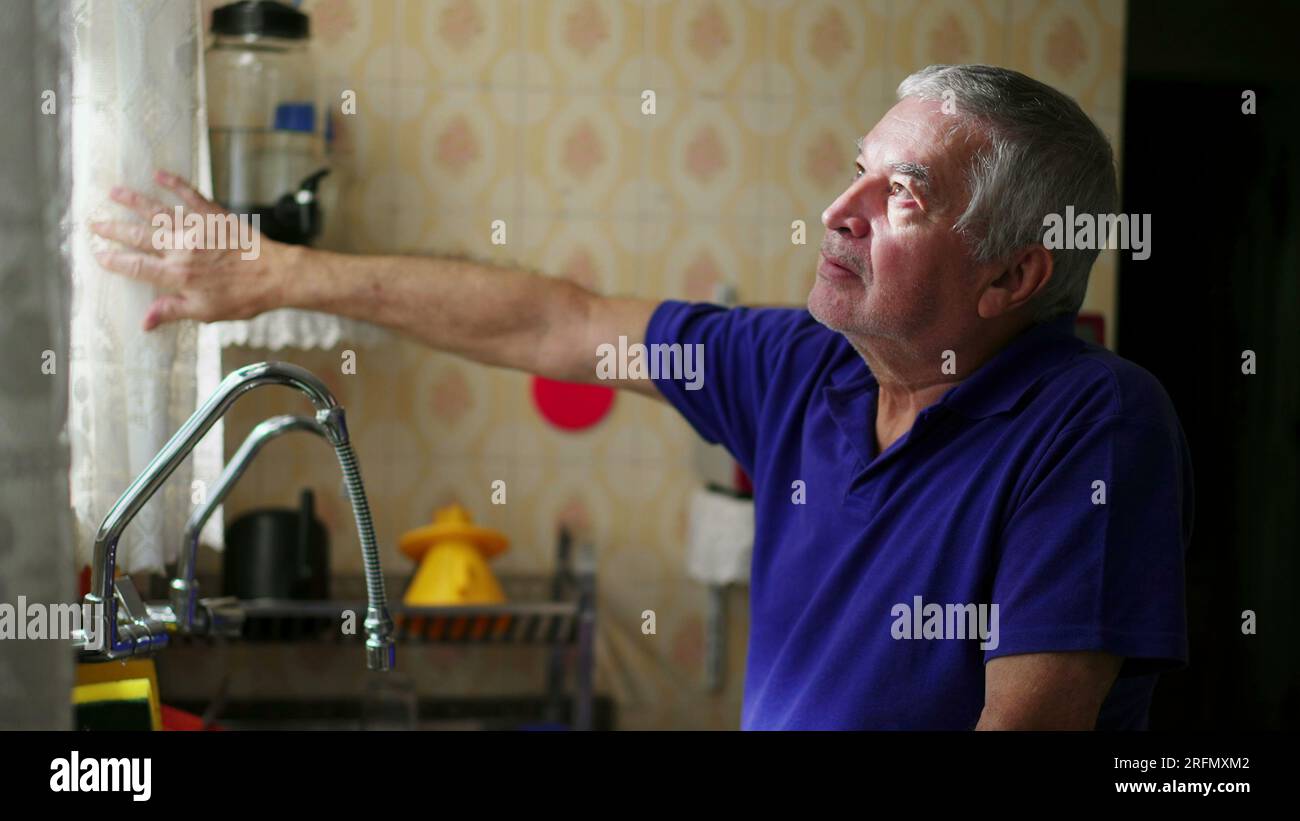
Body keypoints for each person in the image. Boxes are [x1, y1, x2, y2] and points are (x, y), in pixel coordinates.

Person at [92, 64, 1192, 730]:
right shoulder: (802, 365)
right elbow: (557, 321)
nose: (837, 208)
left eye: (901, 193)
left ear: (1011, 276)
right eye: (858, 166)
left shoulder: (1092, 419)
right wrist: (275, 277)